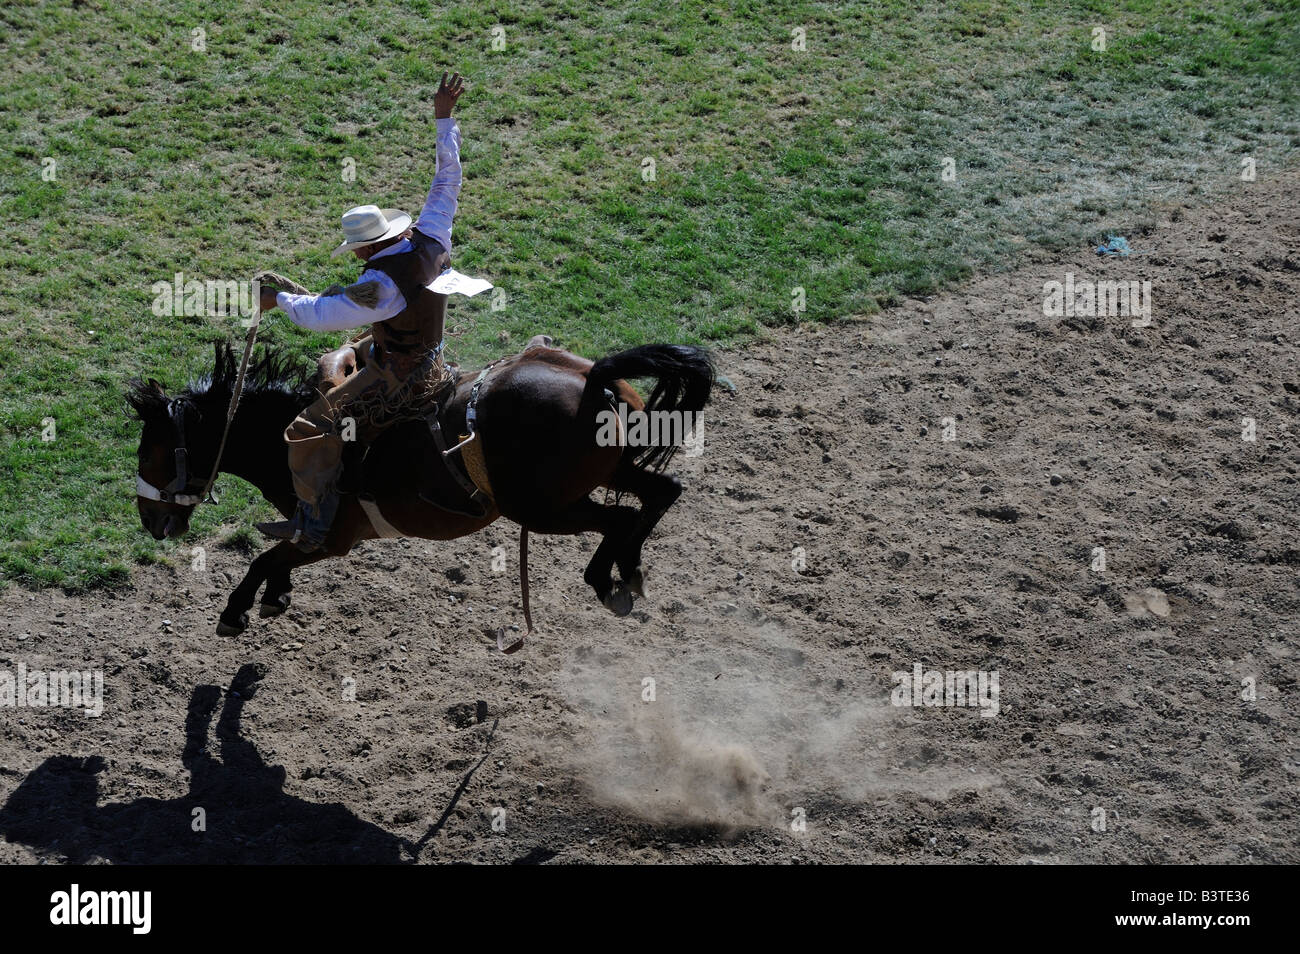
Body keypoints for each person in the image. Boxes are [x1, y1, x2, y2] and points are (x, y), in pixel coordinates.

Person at [255, 72, 467, 551]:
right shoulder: (432, 232)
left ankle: (314, 519)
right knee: (343, 357)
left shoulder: (378, 285)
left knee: (308, 427)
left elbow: (322, 316)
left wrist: (276, 300)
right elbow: (446, 178)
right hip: (426, 350)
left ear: (364, 248)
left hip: (401, 371)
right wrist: (443, 119)